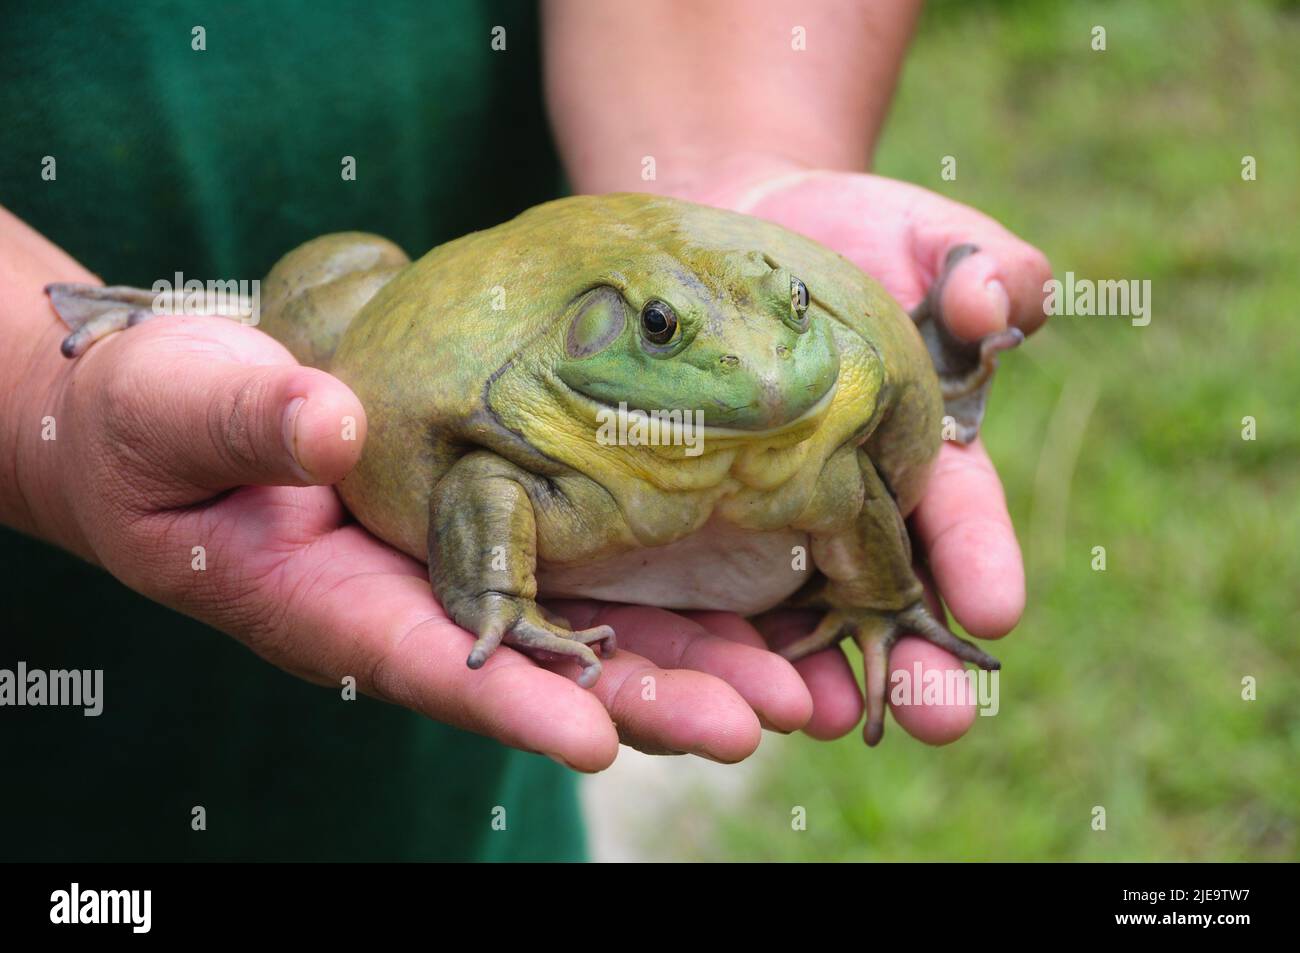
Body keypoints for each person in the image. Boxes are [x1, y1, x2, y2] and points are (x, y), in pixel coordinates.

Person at [0, 0, 1051, 860]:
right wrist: (34, 410)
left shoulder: (807, 436)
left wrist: (879, 596)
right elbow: (481, 484)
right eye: (662, 336)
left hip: (450, 801)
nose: (764, 376)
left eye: (790, 321)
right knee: (330, 297)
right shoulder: (538, 422)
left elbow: (850, 492)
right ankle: (193, 313)